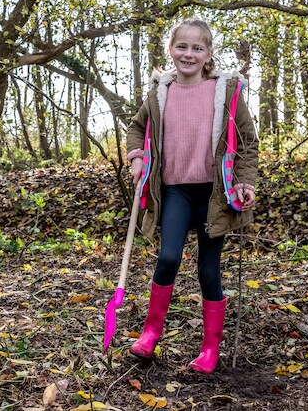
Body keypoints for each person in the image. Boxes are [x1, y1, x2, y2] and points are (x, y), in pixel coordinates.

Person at [124, 19, 258, 374]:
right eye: (182, 47)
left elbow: (246, 143)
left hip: (214, 193)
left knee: (207, 271)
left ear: (209, 54)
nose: (189, 54)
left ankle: (210, 350)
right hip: (175, 190)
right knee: (168, 257)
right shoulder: (158, 93)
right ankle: (151, 334)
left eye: (198, 48)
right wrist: (137, 158)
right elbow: (137, 129)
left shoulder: (225, 93)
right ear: (171, 50)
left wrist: (246, 182)